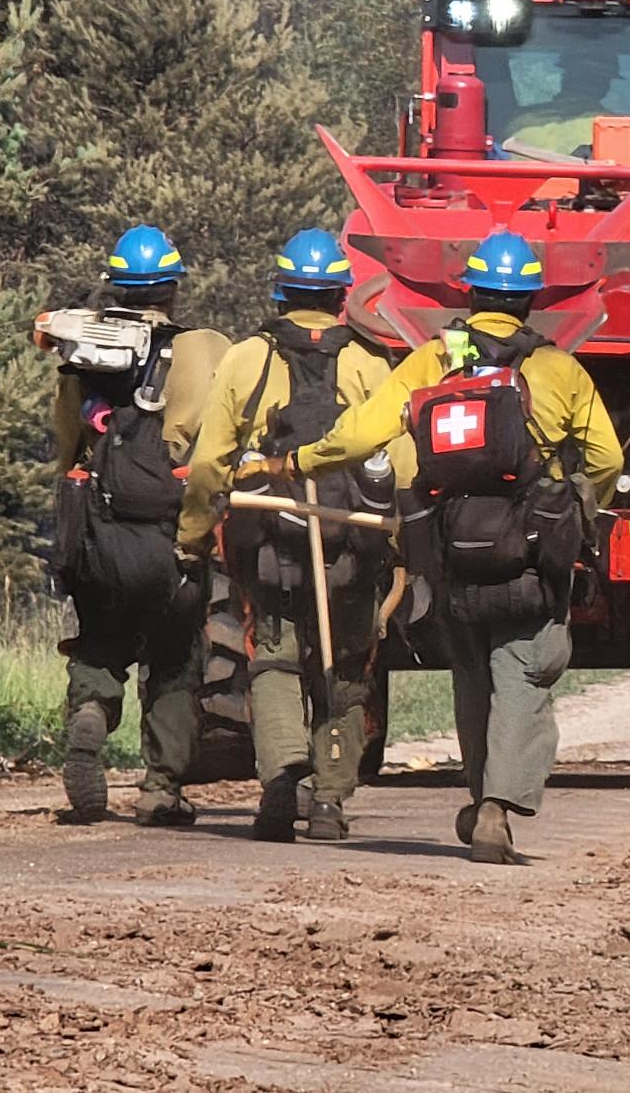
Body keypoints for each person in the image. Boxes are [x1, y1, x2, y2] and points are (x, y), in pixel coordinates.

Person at [261, 230, 623, 865]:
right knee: (524, 671)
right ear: (531, 300)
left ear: (471, 293)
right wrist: (579, 513)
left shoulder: (434, 359)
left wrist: (298, 462)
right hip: (531, 551)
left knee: (472, 671)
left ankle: (482, 794)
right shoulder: (559, 369)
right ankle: (496, 809)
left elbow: (361, 434)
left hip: (451, 545)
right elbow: (606, 458)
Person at [176, 229, 408, 843]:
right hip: (350, 541)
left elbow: (209, 464)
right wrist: (403, 542)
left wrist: (193, 537)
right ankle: (328, 800)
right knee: (344, 667)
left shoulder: (246, 358)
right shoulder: (368, 361)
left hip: (269, 545)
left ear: (280, 292)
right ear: (342, 296)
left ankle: (282, 777)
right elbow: (402, 462)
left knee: (274, 660)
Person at [49, 226, 228, 826]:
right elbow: (214, 447)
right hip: (167, 533)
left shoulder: (84, 351)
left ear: (116, 287)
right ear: (172, 289)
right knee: (175, 658)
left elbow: (66, 443)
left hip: (98, 534)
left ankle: (91, 715)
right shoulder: (201, 351)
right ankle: (161, 790)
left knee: (100, 641)